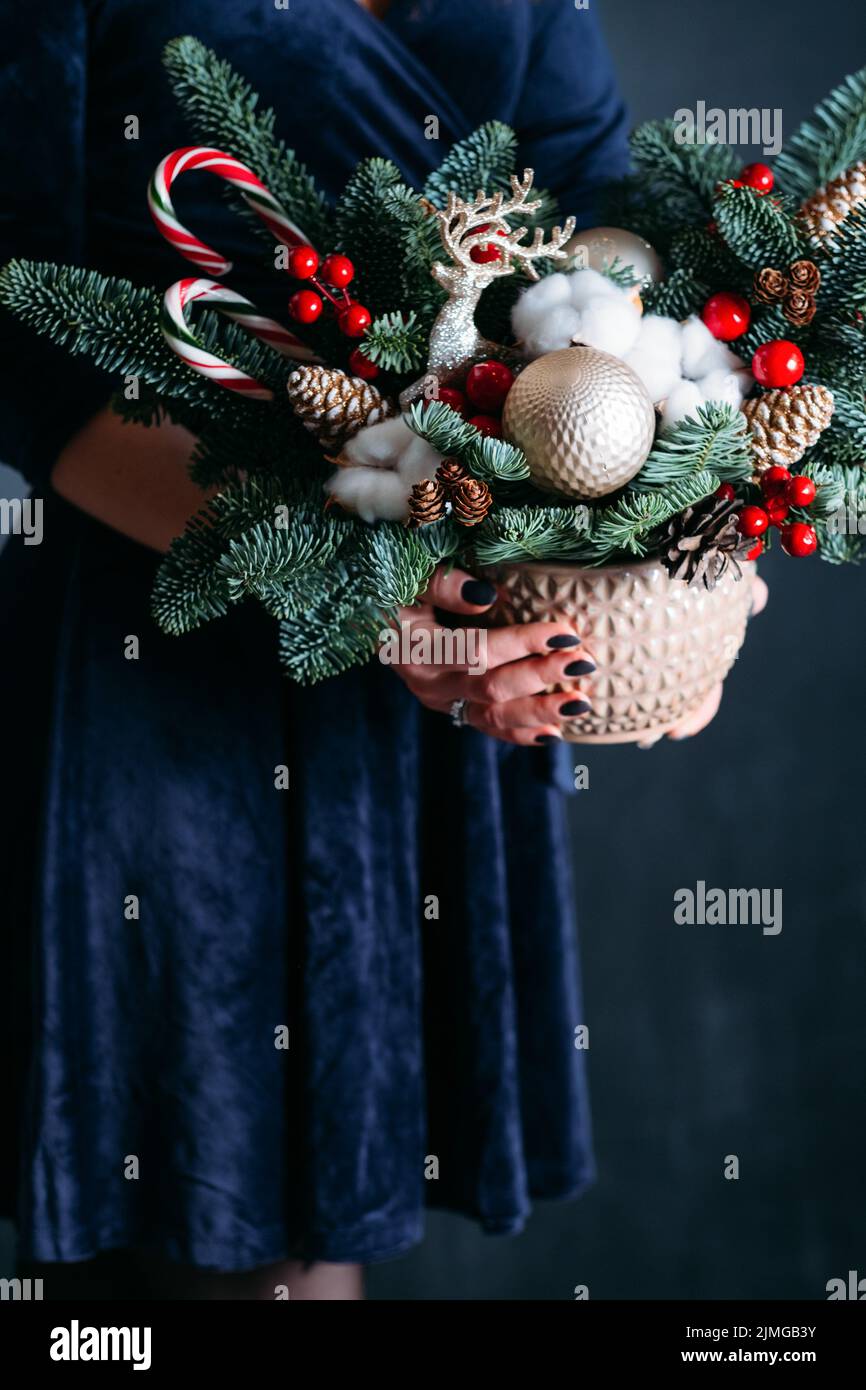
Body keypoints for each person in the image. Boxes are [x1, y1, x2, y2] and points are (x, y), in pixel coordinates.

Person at [0, 0, 762, 1300]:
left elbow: (636, 286)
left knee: (322, 1222)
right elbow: (22, 335)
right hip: (151, 662)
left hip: (428, 682)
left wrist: (697, 555)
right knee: (186, 1216)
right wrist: (365, 595)